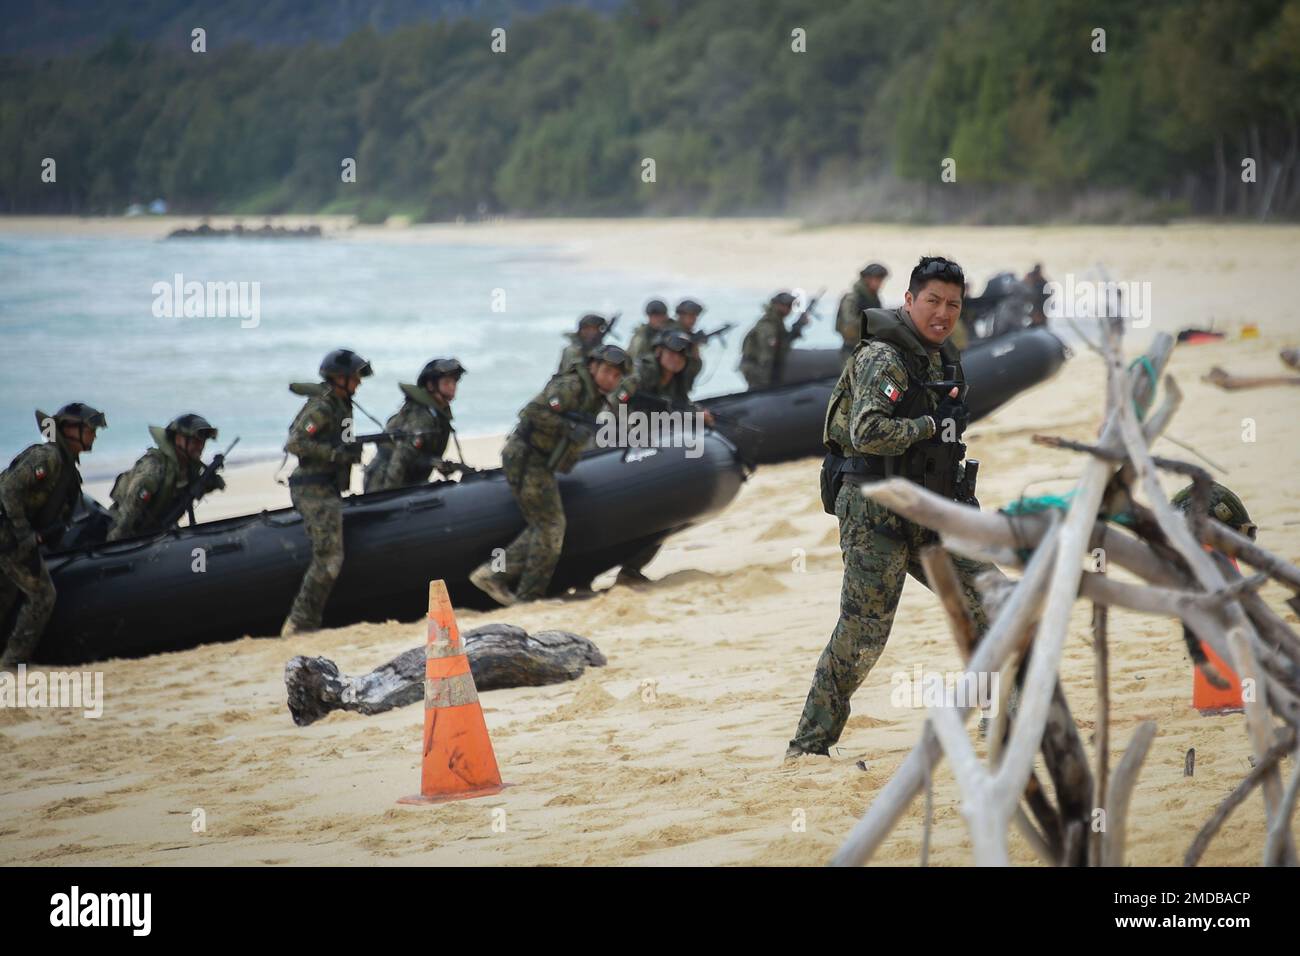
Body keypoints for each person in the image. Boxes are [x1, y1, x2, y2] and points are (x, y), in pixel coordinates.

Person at [787, 256, 993, 759]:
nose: (943, 313)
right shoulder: (885, 357)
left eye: (953, 304)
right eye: (933, 301)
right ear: (908, 300)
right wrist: (928, 425)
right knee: (864, 633)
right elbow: (868, 433)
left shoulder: (943, 358)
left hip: (928, 507)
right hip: (876, 509)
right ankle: (809, 744)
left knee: (996, 602)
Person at [469, 344, 631, 606]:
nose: (612, 379)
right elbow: (531, 412)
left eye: (616, 376)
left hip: (540, 462)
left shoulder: (595, 396)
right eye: (608, 372)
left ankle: (501, 579)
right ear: (593, 367)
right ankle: (509, 584)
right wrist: (568, 427)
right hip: (526, 457)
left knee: (544, 525)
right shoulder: (571, 386)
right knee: (549, 526)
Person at [0, 403, 106, 667]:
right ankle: (12, 662)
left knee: (8, 594)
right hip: (9, 537)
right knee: (42, 595)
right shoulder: (47, 458)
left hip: (14, 540)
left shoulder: (66, 468)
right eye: (90, 429)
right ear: (71, 429)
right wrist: (25, 534)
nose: (94, 435)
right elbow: (8, 490)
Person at [280, 349, 372, 637]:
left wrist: (348, 452)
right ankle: (299, 623)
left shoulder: (341, 406)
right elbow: (295, 443)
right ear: (339, 379)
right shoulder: (322, 407)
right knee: (328, 558)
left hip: (327, 488)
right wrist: (334, 454)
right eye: (355, 378)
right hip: (313, 489)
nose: (359, 383)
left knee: (331, 555)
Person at [106, 414, 224, 541]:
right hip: (131, 534)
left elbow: (205, 487)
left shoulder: (188, 468)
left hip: (160, 534)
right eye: (195, 441)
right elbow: (129, 513)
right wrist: (114, 545)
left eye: (202, 442)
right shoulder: (155, 467)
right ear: (178, 438)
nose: (200, 446)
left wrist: (212, 479)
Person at [363, 358, 465, 492]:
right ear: (430, 386)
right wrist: (389, 495)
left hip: (410, 483)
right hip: (385, 483)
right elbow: (401, 457)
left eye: (454, 382)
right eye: (447, 382)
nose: (453, 387)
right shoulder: (421, 416)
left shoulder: (437, 415)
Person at [739, 291, 809, 389]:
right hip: (757, 369)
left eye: (790, 306)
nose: (790, 309)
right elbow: (767, 355)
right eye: (787, 306)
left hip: (760, 367)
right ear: (777, 305)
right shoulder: (768, 326)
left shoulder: (777, 323)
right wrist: (766, 383)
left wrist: (798, 327)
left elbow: (783, 344)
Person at [836, 263, 888, 353]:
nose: (880, 284)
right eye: (878, 280)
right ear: (867, 278)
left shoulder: (873, 298)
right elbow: (848, 321)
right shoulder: (852, 298)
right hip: (852, 348)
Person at [670, 299, 706, 392]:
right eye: (690, 316)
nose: (693, 319)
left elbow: (694, 366)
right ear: (680, 316)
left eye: (695, 316)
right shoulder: (673, 334)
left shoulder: (689, 335)